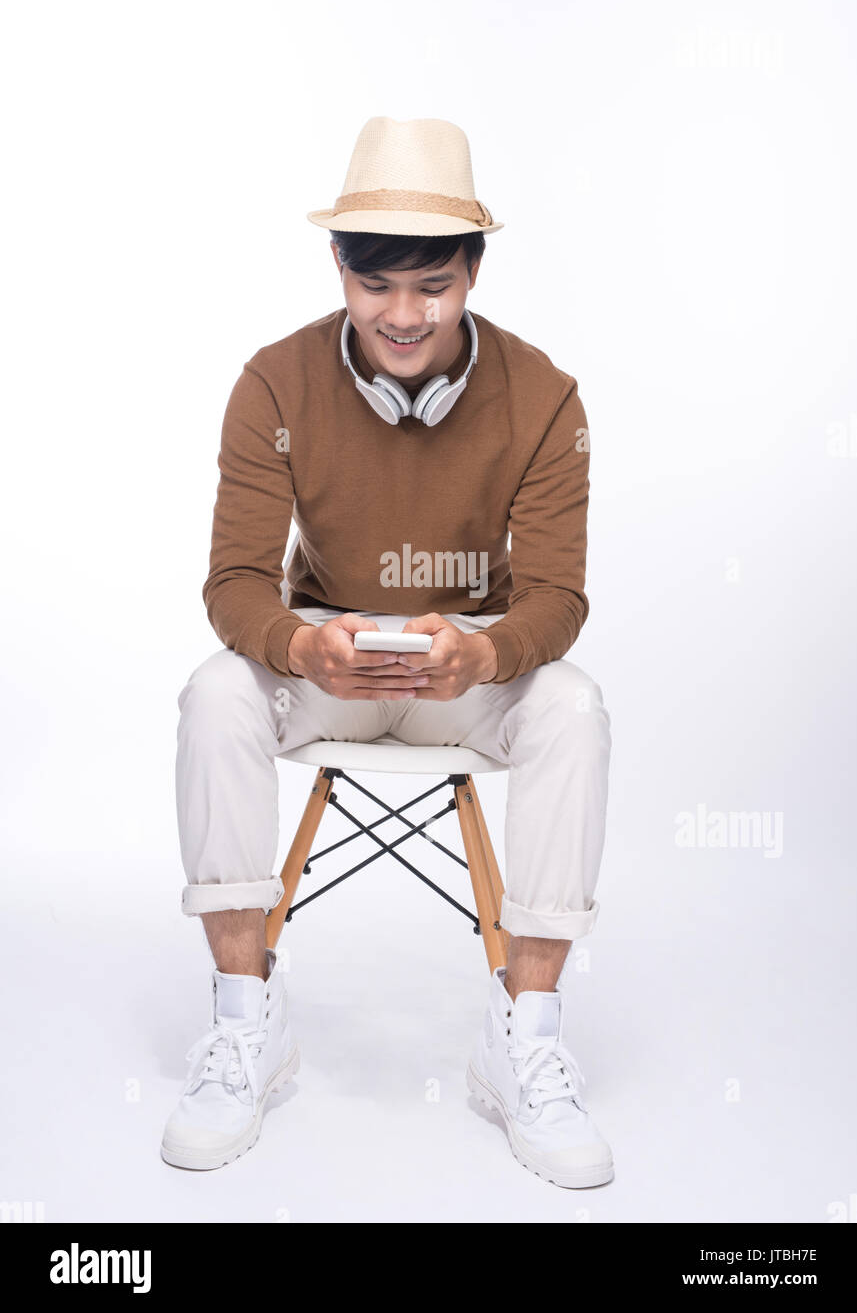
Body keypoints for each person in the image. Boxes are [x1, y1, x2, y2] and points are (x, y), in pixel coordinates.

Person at [161, 117, 614, 1188]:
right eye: (378, 287)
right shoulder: (273, 383)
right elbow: (232, 584)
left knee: (577, 706)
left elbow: (557, 597)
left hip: (469, 676)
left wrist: (488, 653)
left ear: (473, 274)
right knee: (216, 691)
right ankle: (242, 1025)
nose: (403, 316)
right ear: (339, 269)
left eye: (433, 286)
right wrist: (300, 644)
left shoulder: (545, 395)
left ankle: (528, 1037)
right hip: (329, 673)